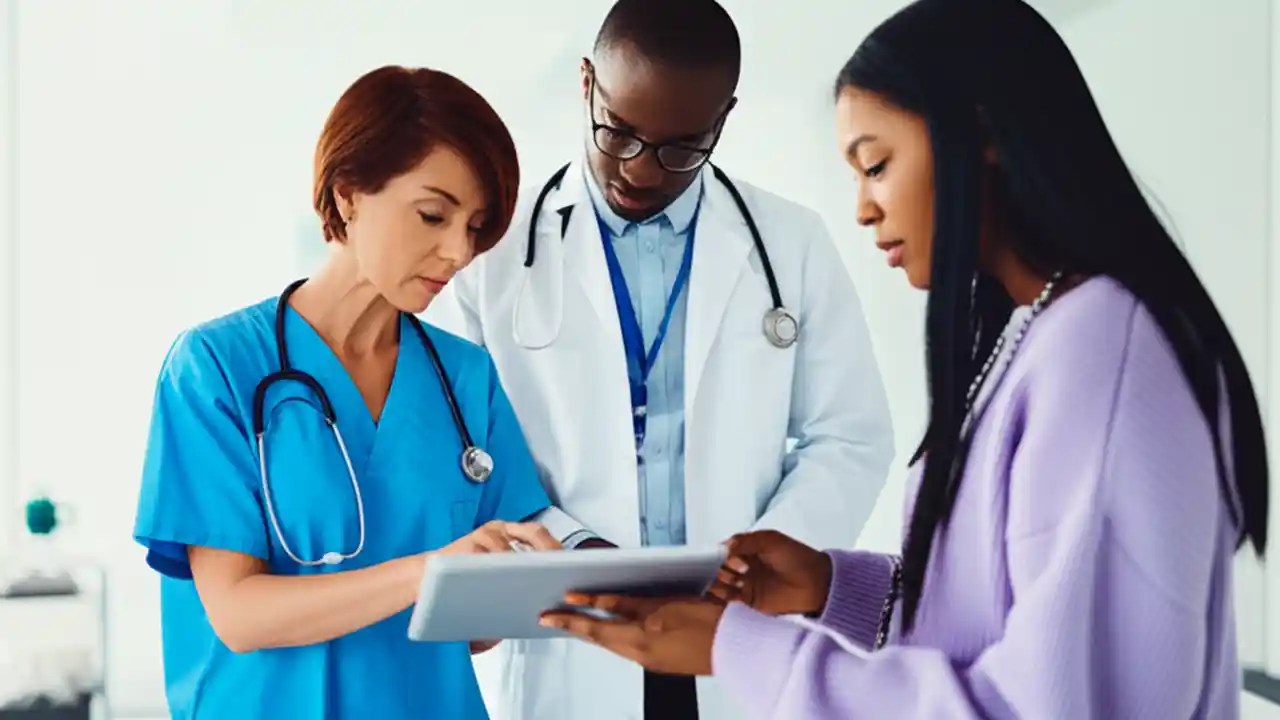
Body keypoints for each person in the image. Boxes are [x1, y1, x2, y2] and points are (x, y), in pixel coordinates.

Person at [537, 0, 1271, 717]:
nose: (862, 207)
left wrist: (742, 650)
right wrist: (833, 587)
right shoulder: (1035, 338)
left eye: (876, 164)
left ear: (979, 134)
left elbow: (1032, 703)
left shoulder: (1097, 352)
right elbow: (998, 622)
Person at [423, 0, 895, 717]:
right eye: (618, 132)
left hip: (738, 630)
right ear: (586, 85)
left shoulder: (790, 243)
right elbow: (466, 453)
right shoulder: (491, 255)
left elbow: (850, 435)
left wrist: (769, 555)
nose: (640, 171)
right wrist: (571, 548)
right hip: (572, 635)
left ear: (722, 120)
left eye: (680, 148)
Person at [132, 65, 561, 719]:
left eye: (475, 227)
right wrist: (429, 572)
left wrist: (519, 581)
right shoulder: (217, 367)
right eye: (433, 215)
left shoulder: (466, 378)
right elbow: (239, 614)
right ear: (349, 192)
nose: (458, 252)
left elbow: (476, 633)